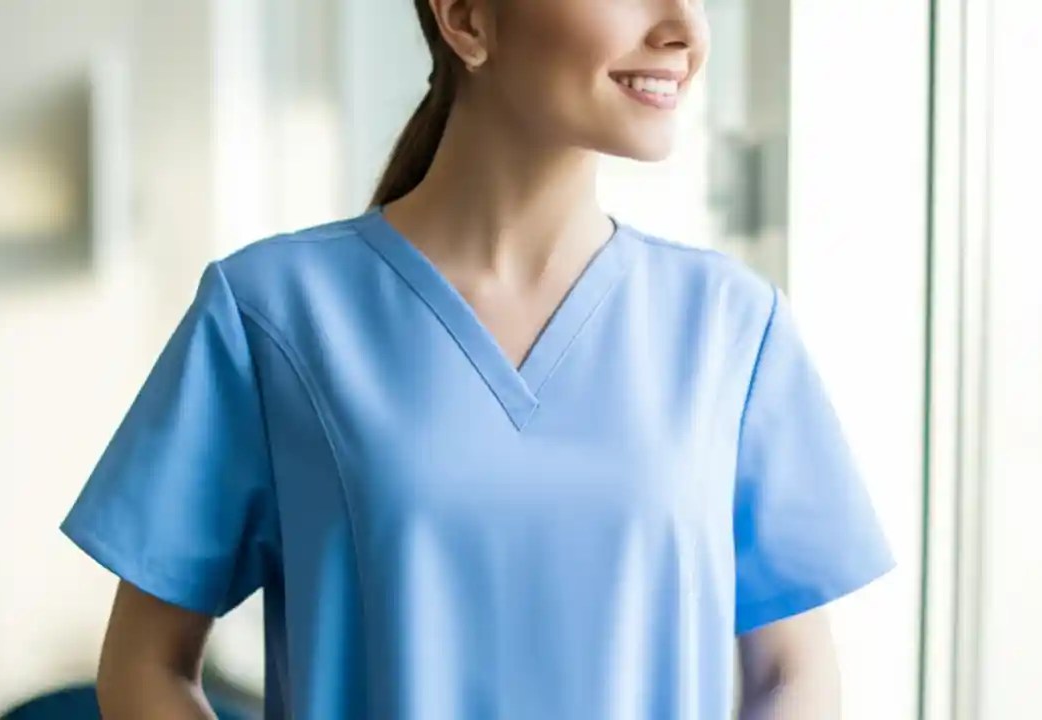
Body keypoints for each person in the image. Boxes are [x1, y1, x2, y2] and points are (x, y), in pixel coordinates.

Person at [59, 0, 896, 718]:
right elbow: (144, 665)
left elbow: (794, 673)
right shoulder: (273, 313)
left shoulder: (729, 329)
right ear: (463, 15)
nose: (683, 27)